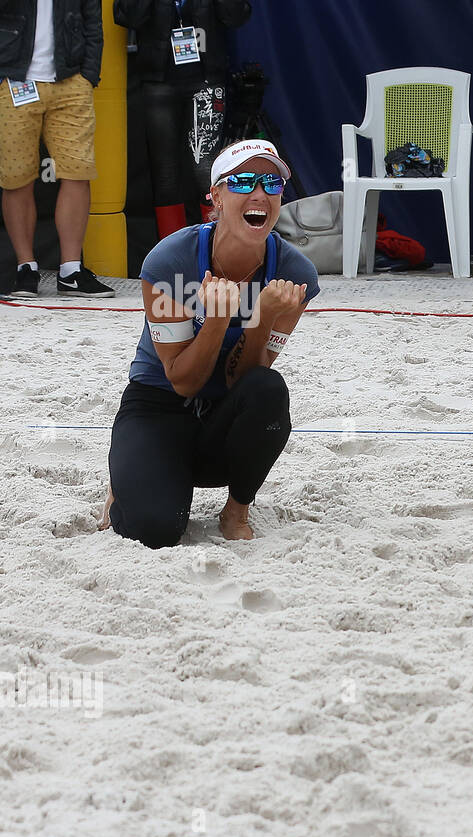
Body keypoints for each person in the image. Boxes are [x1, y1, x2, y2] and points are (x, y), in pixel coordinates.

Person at [100, 140, 319, 548]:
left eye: (271, 183)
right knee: (154, 530)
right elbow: (181, 381)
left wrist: (264, 317)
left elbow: (245, 379)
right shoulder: (170, 262)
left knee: (269, 391)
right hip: (159, 404)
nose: (259, 193)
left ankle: (236, 508)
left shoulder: (294, 272)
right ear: (215, 196)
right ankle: (127, 479)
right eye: (243, 181)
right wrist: (216, 320)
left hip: (224, 417)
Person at [0, 0, 115, 298]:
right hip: (14, 79)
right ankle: (26, 268)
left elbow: (93, 22)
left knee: (78, 170)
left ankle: (71, 270)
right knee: (16, 177)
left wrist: (88, 75)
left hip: (70, 81)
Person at [112, 0, 253, 238]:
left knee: (205, 170)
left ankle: (216, 249)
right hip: (158, 79)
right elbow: (128, 16)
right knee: (164, 175)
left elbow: (236, 16)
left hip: (205, 78)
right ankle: (172, 255)